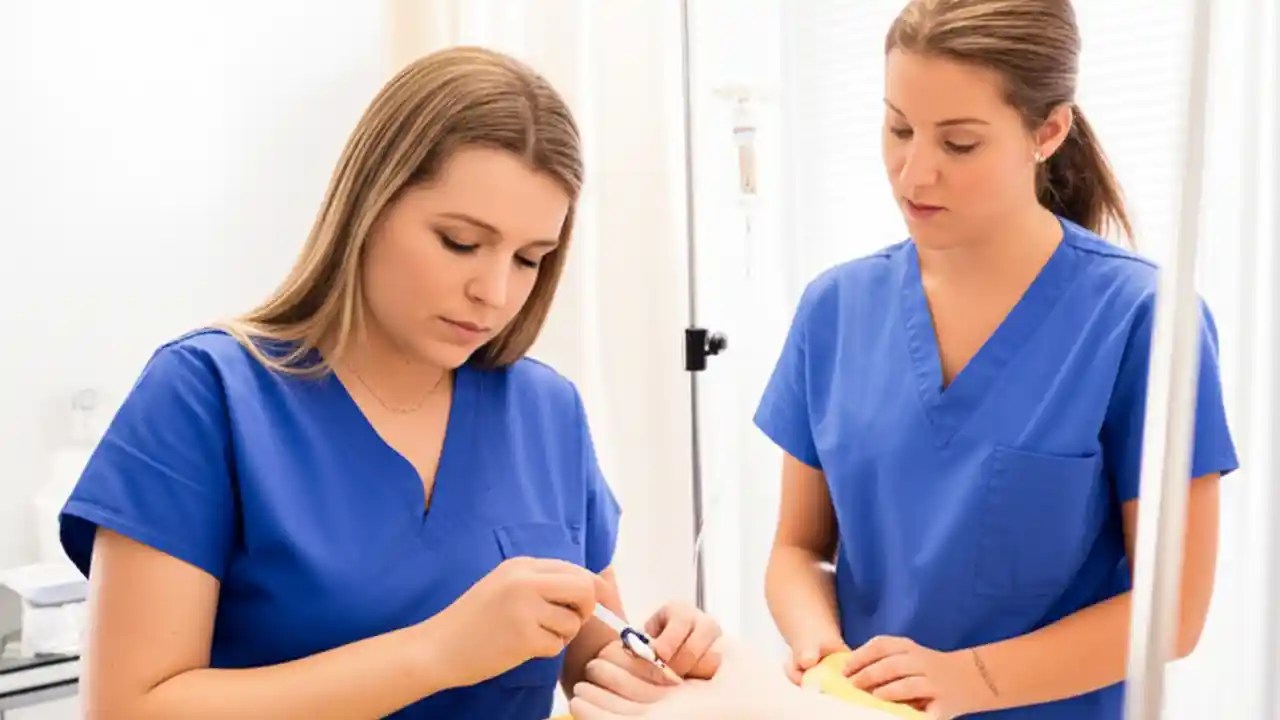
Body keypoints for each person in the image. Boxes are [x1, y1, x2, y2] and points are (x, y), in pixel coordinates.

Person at [569, 0, 1236, 718]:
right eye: (899, 129)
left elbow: (1172, 612)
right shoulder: (836, 309)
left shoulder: (1143, 322)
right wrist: (824, 655)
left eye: (960, 144)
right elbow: (798, 551)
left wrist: (970, 679)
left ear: (1047, 132)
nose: (914, 175)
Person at [57, 46, 720, 720]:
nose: (494, 292)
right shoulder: (206, 396)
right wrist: (435, 653)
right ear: (367, 206)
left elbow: (590, 656)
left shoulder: (546, 412)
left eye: (529, 259)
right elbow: (127, 709)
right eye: (460, 242)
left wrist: (659, 661)